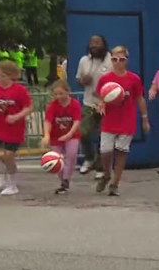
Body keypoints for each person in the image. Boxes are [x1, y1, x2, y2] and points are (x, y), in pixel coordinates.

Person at [94, 46, 149, 196]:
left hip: (127, 120)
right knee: (105, 151)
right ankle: (106, 174)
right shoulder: (105, 79)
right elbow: (100, 96)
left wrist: (145, 119)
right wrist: (101, 104)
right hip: (110, 120)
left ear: (127, 60)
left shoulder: (134, 79)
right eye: (114, 59)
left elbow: (140, 98)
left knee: (121, 151)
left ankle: (115, 183)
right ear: (111, 60)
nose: (118, 62)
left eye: (122, 59)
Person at [0, 61, 33, 196]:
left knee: (8, 155)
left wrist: (16, 116)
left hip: (14, 129)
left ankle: (12, 184)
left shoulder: (19, 90)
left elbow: (29, 107)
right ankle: (0, 174)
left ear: (11, 76)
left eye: (2, 76)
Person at [75, 34, 112, 177]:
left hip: (106, 104)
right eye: (91, 43)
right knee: (83, 133)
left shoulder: (110, 60)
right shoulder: (84, 60)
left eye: (97, 43)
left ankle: (100, 168)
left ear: (103, 44)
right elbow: (78, 80)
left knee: (103, 137)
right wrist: (83, 80)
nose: (93, 45)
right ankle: (90, 159)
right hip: (89, 103)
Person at [40, 80, 83, 194]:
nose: (59, 96)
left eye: (61, 93)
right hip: (56, 136)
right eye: (56, 94)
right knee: (57, 159)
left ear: (68, 92)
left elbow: (77, 121)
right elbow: (48, 121)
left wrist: (69, 134)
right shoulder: (52, 106)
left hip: (72, 134)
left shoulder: (75, 104)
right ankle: (63, 181)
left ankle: (66, 179)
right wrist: (47, 135)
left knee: (72, 154)